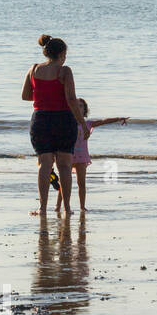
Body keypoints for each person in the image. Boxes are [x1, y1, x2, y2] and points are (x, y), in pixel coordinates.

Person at [21, 34, 87, 216]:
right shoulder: (65, 71)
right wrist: (83, 123)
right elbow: (72, 100)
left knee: (44, 165)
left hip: (40, 119)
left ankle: (42, 208)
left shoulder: (33, 69)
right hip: (63, 120)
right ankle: (66, 208)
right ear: (62, 54)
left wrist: (45, 96)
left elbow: (25, 96)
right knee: (65, 166)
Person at [71, 98, 127, 213]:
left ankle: (82, 206)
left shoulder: (88, 124)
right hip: (67, 156)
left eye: (81, 106)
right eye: (76, 105)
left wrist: (118, 118)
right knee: (64, 183)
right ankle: (59, 206)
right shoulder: (66, 122)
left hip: (82, 157)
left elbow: (103, 121)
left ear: (84, 110)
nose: (78, 107)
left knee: (81, 183)